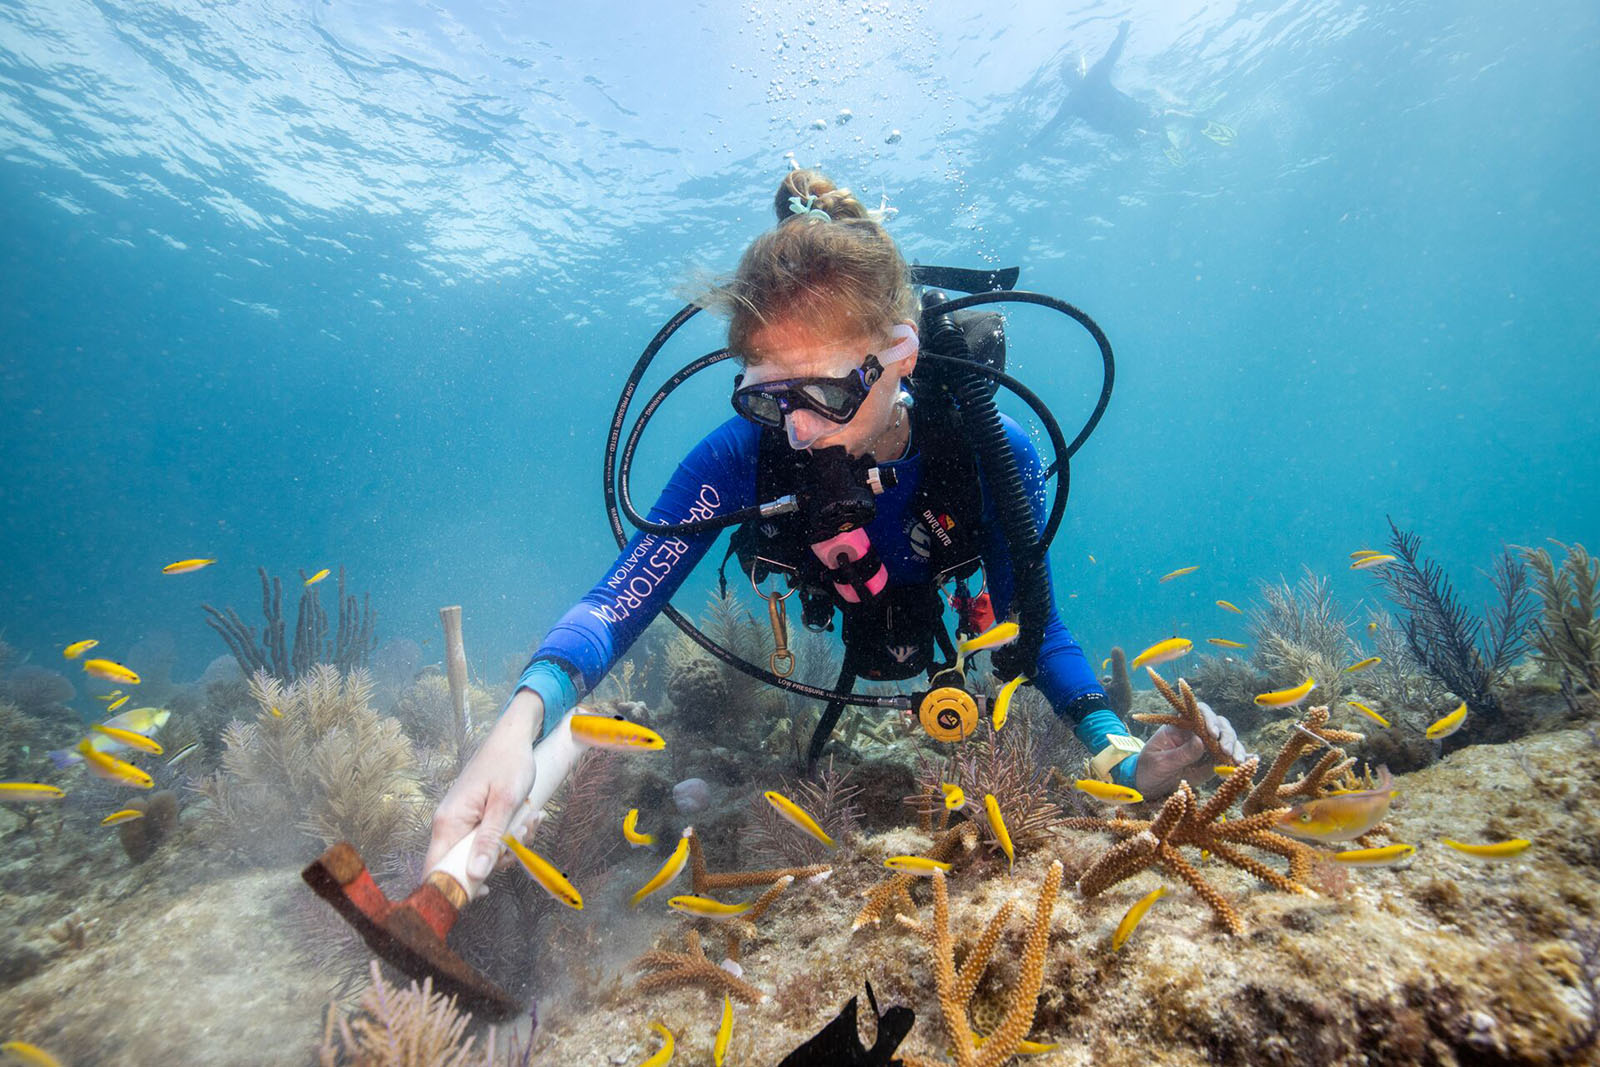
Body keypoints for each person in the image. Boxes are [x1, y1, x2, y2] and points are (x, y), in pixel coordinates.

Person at [425, 169, 1247, 883]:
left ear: (898, 355)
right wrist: (518, 723)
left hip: (936, 604)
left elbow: (1039, 632)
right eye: (765, 396)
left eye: (821, 394)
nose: (797, 430)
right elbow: (617, 603)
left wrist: (1120, 752)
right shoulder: (736, 458)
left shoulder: (990, 450)